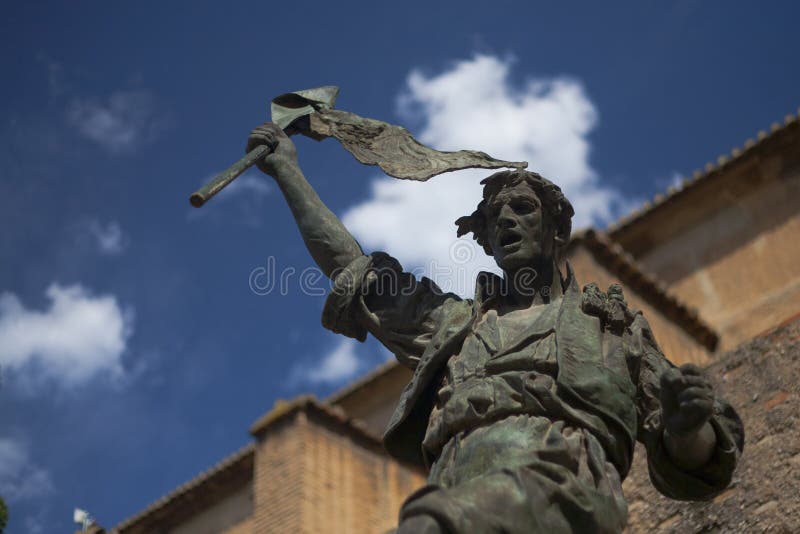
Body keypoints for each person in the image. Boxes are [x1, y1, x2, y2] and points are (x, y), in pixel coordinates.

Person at [247, 123, 744, 533]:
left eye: (523, 209)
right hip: (456, 492)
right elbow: (354, 269)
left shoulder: (612, 331)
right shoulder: (455, 328)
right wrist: (288, 172)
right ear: (486, 241)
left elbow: (700, 464)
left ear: (557, 229)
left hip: (562, 496)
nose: (507, 220)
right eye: (494, 218)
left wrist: (687, 426)